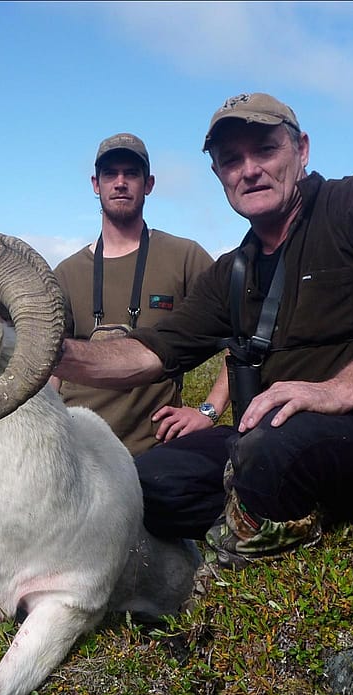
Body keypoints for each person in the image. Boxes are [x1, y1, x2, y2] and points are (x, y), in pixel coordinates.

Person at [52, 93, 353, 569]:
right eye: (231, 160)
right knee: (145, 482)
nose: (249, 169)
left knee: (276, 446)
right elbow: (150, 353)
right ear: (219, 175)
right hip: (271, 442)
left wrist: (345, 389)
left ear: (301, 149)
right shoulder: (233, 272)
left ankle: (229, 581)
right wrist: (44, 351)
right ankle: (306, 521)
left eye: (265, 150)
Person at [52, 132, 229, 457]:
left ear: (148, 184)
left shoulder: (185, 257)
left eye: (131, 173)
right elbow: (48, 369)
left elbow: (243, 330)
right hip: (77, 454)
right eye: (110, 174)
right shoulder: (65, 273)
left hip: (156, 454)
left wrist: (209, 411)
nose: (120, 182)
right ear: (96, 184)